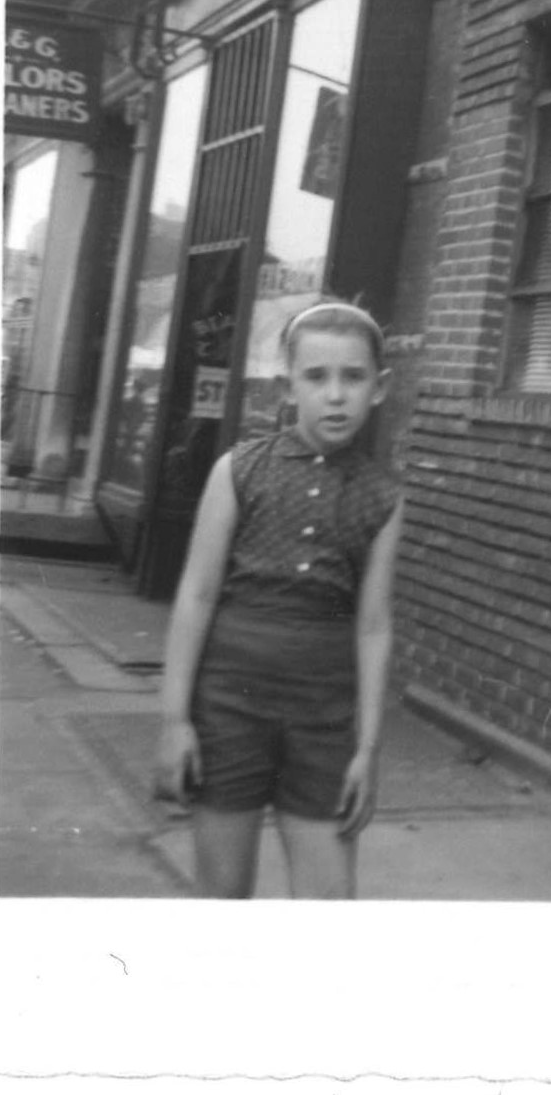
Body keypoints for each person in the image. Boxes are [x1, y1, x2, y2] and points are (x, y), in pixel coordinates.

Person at [154, 297, 403, 899]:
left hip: (324, 719)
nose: (336, 394)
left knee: (327, 903)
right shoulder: (240, 469)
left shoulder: (383, 497)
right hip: (228, 709)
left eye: (353, 376)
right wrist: (174, 720)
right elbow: (197, 594)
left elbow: (372, 627)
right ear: (287, 386)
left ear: (379, 387)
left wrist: (366, 749)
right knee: (222, 897)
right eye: (316, 377)